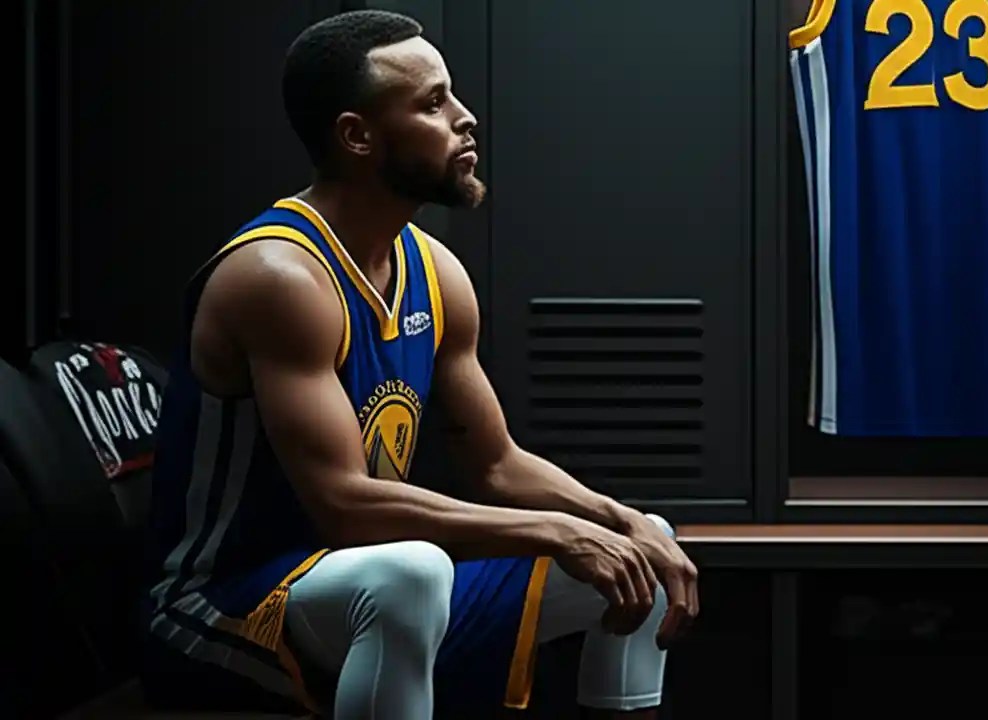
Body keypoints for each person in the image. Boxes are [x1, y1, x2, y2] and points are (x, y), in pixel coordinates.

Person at [140, 10, 698, 719]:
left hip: (370, 592)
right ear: (357, 136)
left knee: (644, 551)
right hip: (222, 606)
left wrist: (616, 520)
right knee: (411, 569)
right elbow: (343, 506)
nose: (466, 119)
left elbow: (496, 464)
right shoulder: (281, 278)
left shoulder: (435, 272)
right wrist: (556, 530)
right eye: (433, 103)